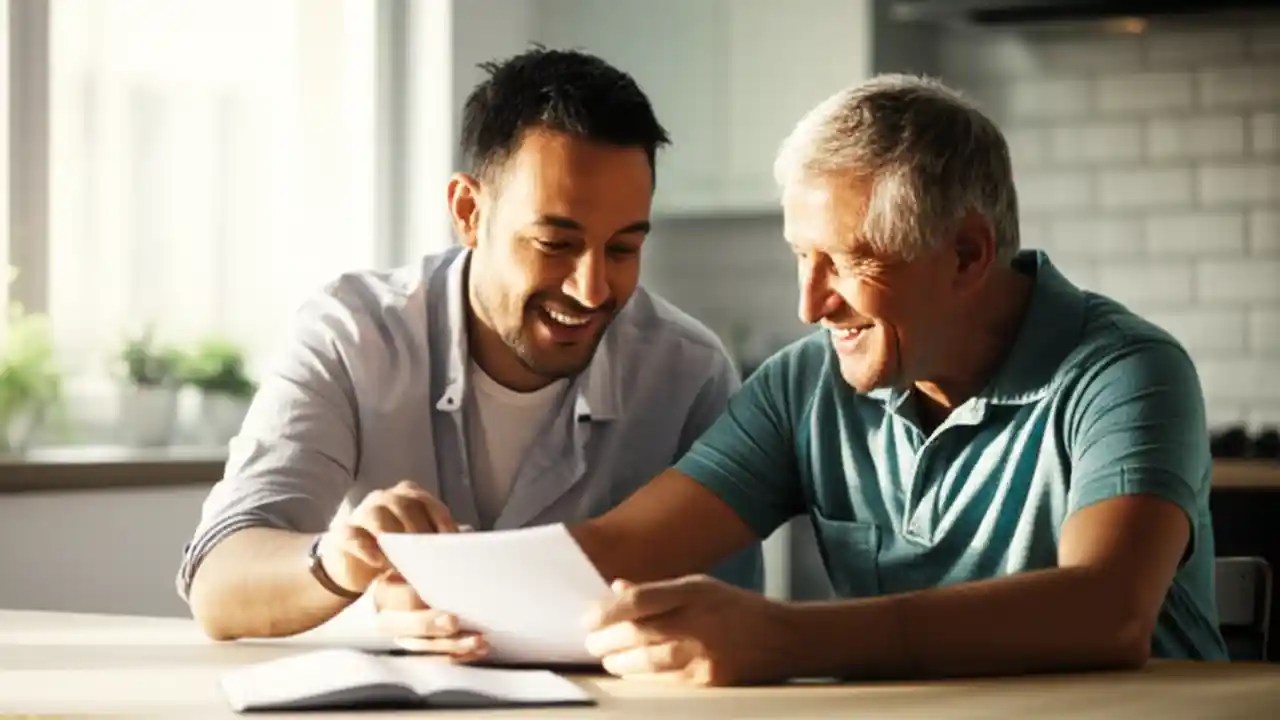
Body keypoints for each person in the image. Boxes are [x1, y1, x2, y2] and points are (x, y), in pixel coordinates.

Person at [566, 74, 1229, 685]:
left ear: (967, 255)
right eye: (802, 256)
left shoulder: (1126, 372)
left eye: (847, 261)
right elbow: (622, 547)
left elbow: (1105, 610)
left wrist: (785, 636)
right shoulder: (802, 386)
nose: (810, 305)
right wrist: (465, 586)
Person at [178, 48, 761, 651]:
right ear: (468, 211)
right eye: (555, 243)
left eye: (621, 250)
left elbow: (718, 623)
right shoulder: (353, 335)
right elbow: (219, 585)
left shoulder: (691, 374)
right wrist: (340, 561)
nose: (592, 289)